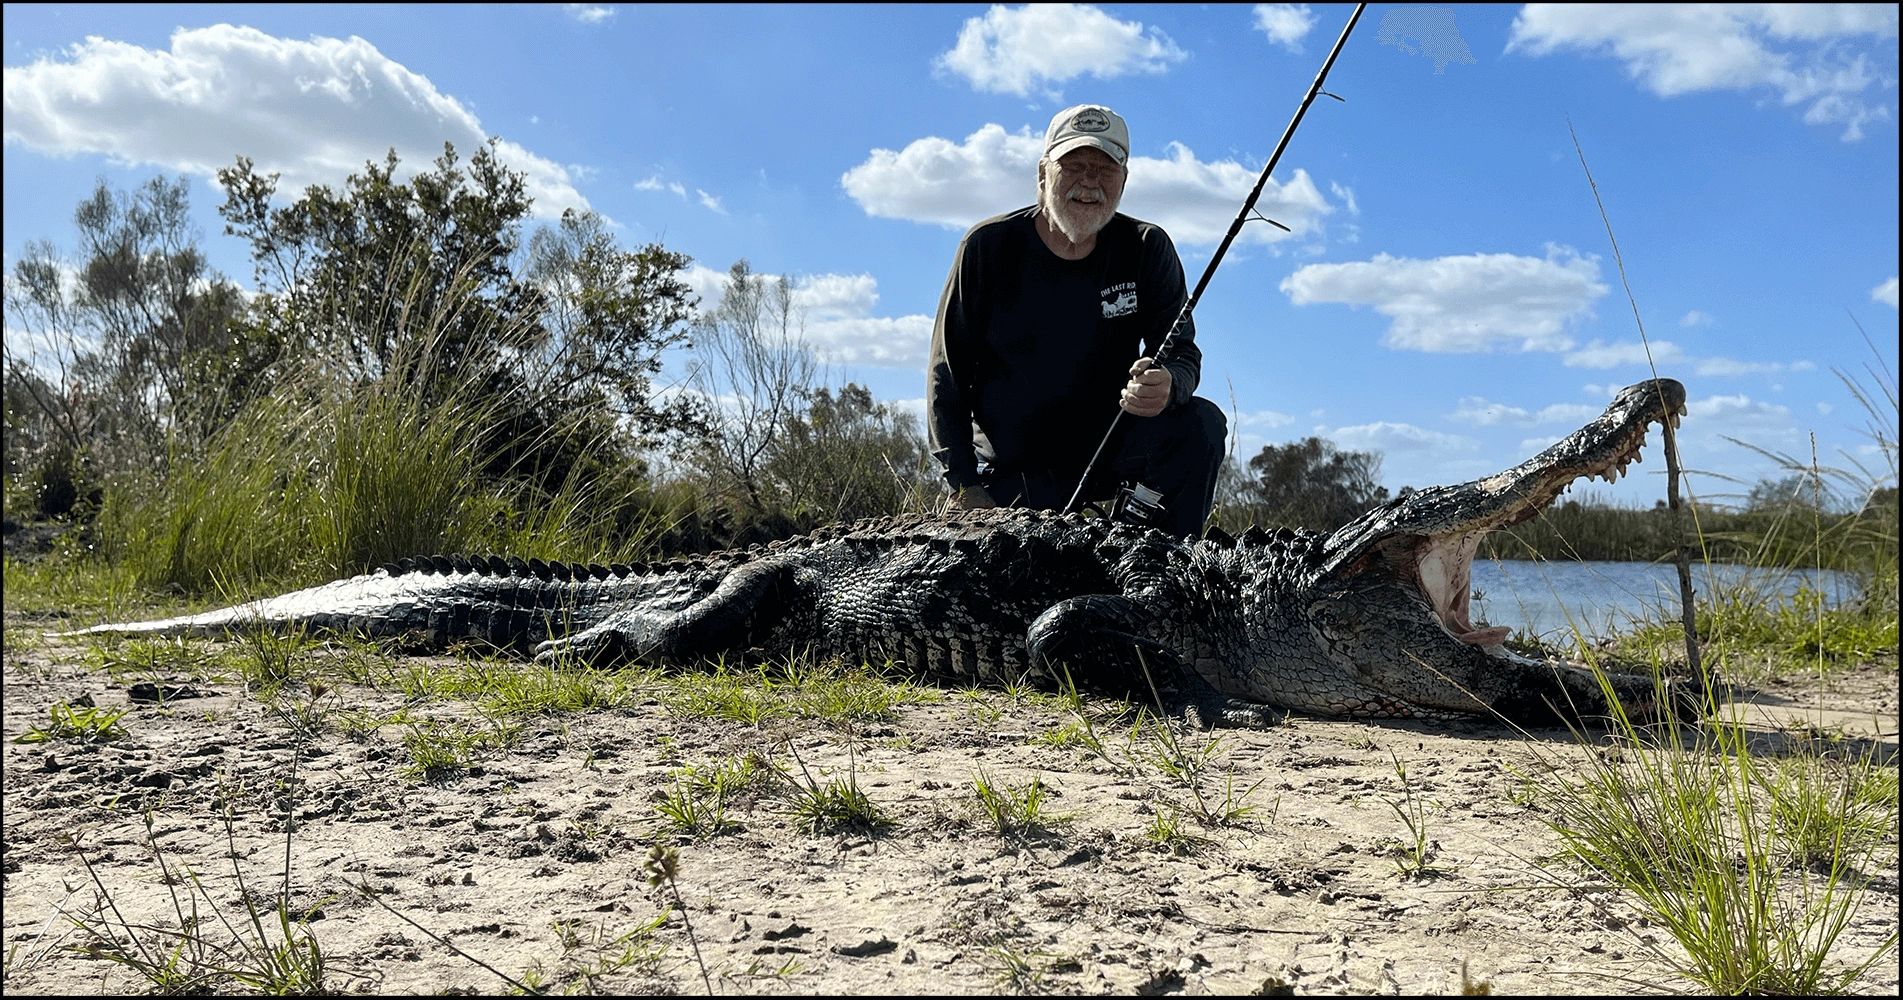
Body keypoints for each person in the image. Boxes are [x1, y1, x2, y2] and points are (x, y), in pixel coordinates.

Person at [926, 103, 1227, 538]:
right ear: (1043, 174)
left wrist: (1169, 384)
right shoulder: (986, 248)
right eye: (1075, 165)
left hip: (1108, 453)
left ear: (1123, 181)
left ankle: (1157, 564)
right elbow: (945, 377)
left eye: (1106, 168)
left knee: (1201, 423)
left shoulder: (1146, 247)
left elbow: (1182, 352)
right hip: (1012, 468)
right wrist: (963, 485)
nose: (1090, 181)